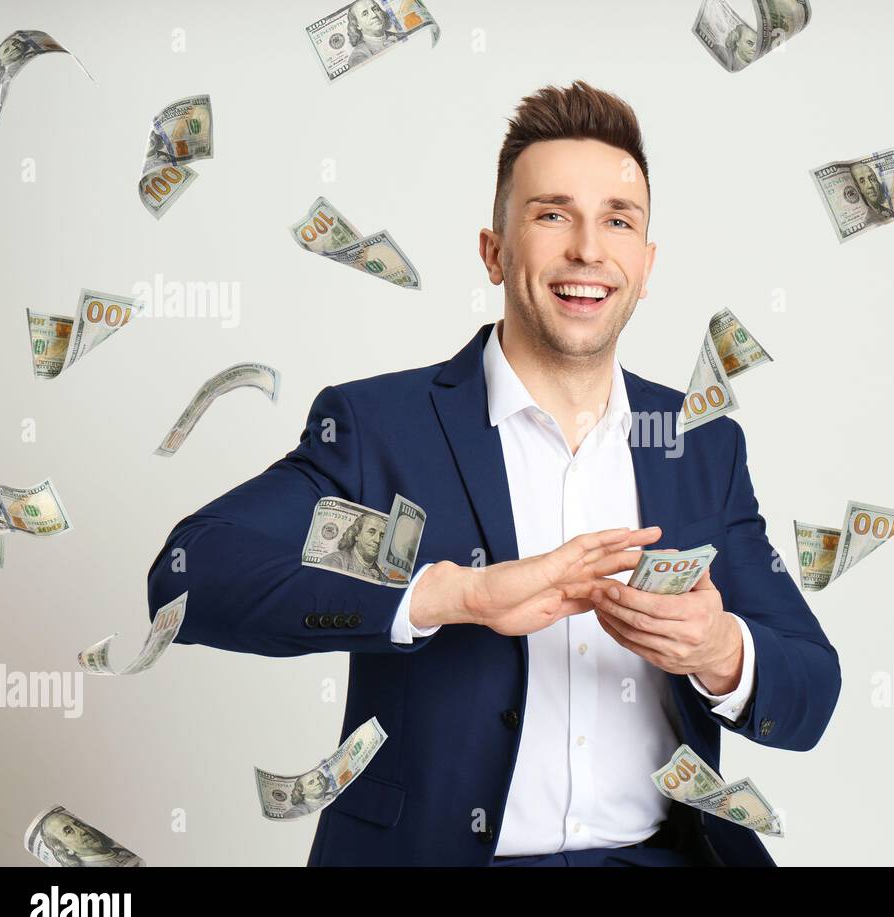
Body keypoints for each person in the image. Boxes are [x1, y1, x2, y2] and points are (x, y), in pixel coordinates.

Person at [149, 81, 840, 867]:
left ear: (645, 267)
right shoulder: (379, 428)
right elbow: (185, 577)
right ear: (494, 251)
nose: (587, 248)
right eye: (552, 215)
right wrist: (453, 596)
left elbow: (813, 688)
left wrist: (719, 650)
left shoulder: (701, 445)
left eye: (618, 221)